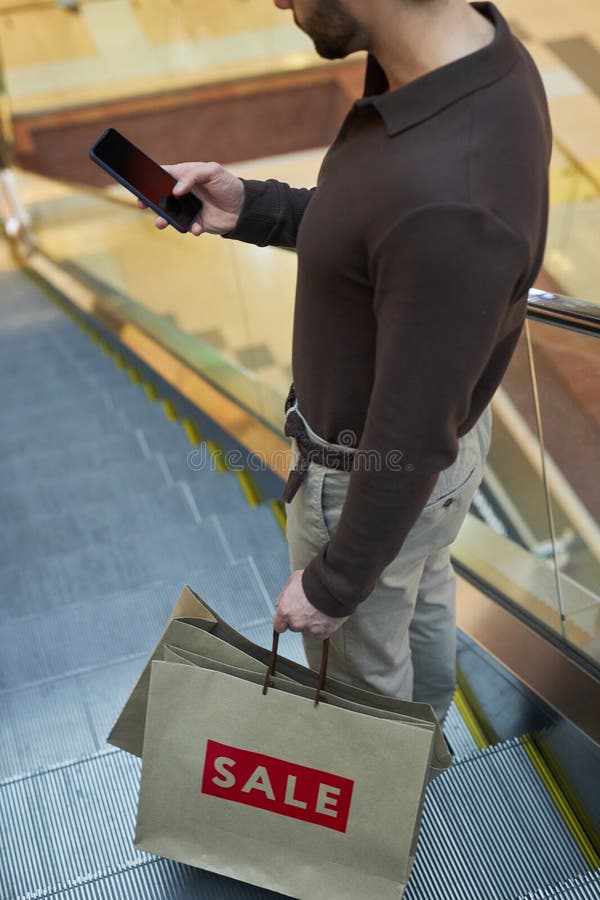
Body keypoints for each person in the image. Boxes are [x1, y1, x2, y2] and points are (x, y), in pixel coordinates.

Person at [148, 0, 551, 724]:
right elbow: (381, 238)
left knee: (360, 686)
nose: (277, 0)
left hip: (370, 473)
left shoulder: (449, 194)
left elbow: (409, 435)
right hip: (443, 454)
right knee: (419, 594)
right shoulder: (473, 61)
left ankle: (386, 809)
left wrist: (334, 584)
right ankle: (426, 748)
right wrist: (257, 208)